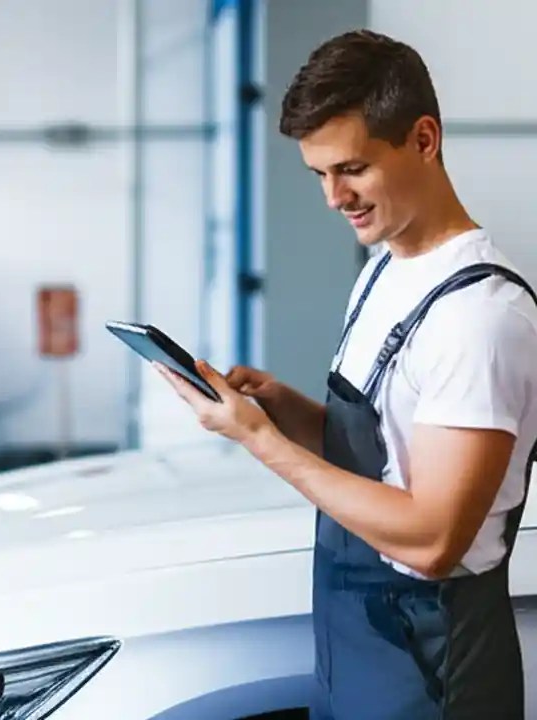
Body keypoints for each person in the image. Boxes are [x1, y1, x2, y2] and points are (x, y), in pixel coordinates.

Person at [156, 29, 537, 718]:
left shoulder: (481, 316)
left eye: (352, 169)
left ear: (424, 139)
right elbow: (383, 457)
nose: (334, 198)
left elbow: (431, 538)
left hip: (436, 666)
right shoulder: (385, 269)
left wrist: (259, 442)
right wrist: (284, 412)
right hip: (359, 647)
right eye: (319, 175)